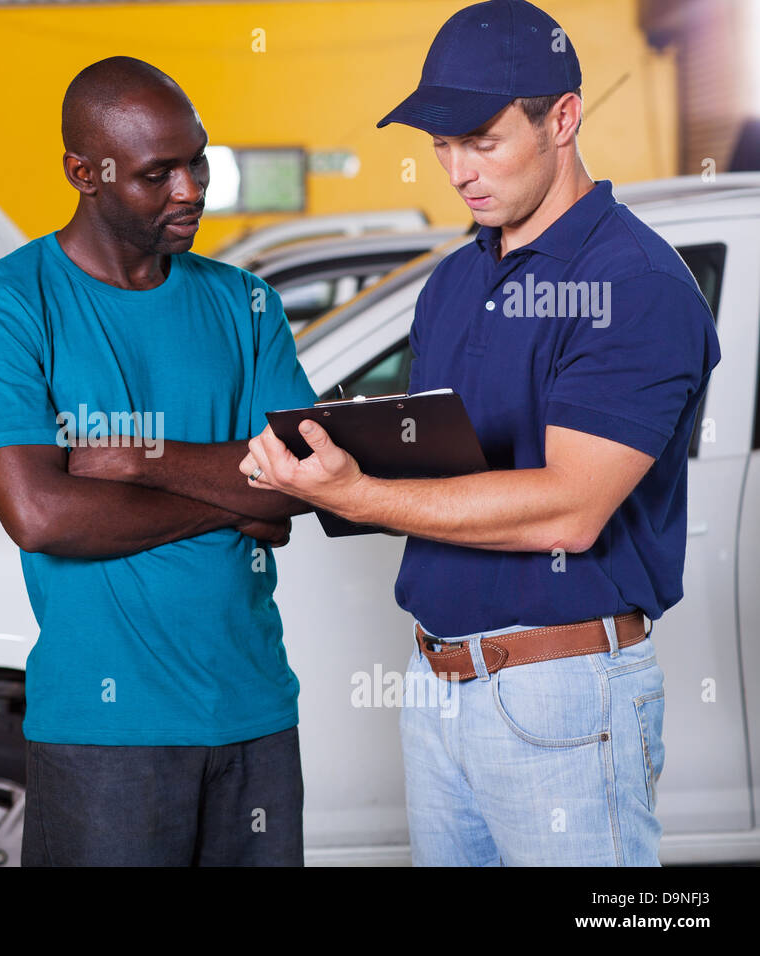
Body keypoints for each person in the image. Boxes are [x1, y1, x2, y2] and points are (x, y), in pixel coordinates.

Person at [240, 0, 720, 866]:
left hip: (564, 698)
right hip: (437, 684)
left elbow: (569, 512)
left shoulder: (636, 283)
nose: (458, 170)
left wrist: (358, 494)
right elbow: (438, 458)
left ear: (563, 118)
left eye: (483, 140)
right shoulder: (453, 282)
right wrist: (332, 464)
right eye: (441, 145)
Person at [0, 56, 318, 866]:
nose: (190, 190)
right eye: (159, 175)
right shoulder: (6, 305)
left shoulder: (245, 302)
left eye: (198, 160)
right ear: (84, 173)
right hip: (103, 736)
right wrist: (237, 499)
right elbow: (43, 516)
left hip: (255, 716)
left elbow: (302, 479)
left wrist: (140, 459)